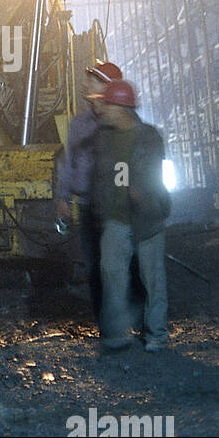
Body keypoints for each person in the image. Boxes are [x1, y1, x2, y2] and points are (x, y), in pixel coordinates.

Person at [87, 79, 171, 352]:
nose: (103, 110)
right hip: (116, 219)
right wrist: (101, 212)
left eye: (108, 105)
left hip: (147, 219)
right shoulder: (104, 138)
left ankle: (156, 334)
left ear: (122, 108)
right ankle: (116, 334)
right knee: (112, 277)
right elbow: (100, 179)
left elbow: (153, 176)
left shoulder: (148, 137)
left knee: (152, 279)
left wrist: (141, 194)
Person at [56, 58, 124, 321]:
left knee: (115, 261)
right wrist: (64, 198)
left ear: (107, 87)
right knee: (93, 263)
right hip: (85, 204)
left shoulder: (120, 124)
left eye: (92, 80)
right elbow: (69, 162)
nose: (85, 84)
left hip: (112, 204)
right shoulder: (79, 124)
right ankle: (105, 319)